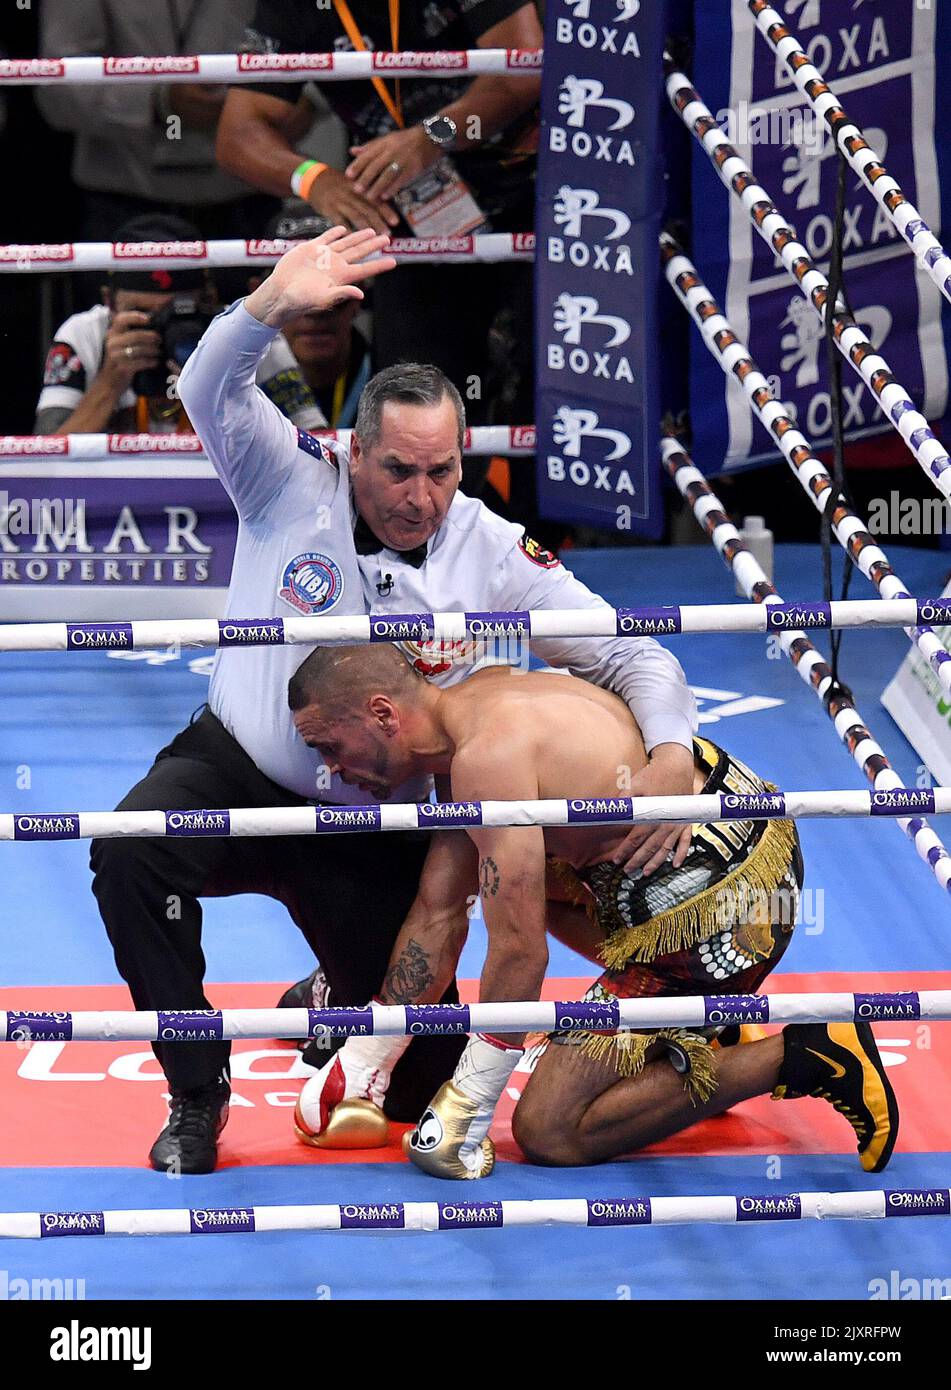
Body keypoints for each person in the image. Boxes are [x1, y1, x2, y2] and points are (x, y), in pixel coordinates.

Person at [90, 227, 697, 1175]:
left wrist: (669, 751)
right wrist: (268, 306)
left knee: (416, 1088)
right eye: (398, 471)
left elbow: (629, 652)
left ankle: (334, 988)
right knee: (129, 853)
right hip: (241, 770)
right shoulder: (285, 483)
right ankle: (195, 1090)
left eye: (443, 471)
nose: (420, 497)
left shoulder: (488, 546)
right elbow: (207, 391)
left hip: (381, 825)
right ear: (353, 450)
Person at [292, 643, 898, 1179]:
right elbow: (439, 912)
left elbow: (521, 951)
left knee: (551, 1130)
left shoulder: (487, 760)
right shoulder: (468, 721)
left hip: (723, 903)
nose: (331, 769)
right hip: (714, 843)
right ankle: (704, 1021)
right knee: (510, 880)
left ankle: (810, 1050)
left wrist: (467, 1104)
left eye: (328, 745)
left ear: (381, 714)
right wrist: (364, 1057)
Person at [217, 1, 540, 466]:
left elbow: (524, 67)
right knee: (415, 400)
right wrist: (316, 179)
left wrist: (433, 136)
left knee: (540, 390)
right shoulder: (297, 9)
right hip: (406, 221)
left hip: (533, 202)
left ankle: (556, 536)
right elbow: (238, 132)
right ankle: (423, 535)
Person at [35, 214, 325, 437]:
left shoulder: (248, 333)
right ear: (109, 303)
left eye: (176, 313)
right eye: (141, 314)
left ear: (210, 301)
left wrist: (226, 387)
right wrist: (110, 383)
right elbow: (42, 462)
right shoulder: (85, 333)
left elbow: (316, 444)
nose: (160, 330)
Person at [251, 206, 371, 429]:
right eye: (294, 293)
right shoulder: (235, 384)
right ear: (260, 295)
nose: (316, 310)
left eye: (334, 288)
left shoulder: (392, 372)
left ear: (358, 295)